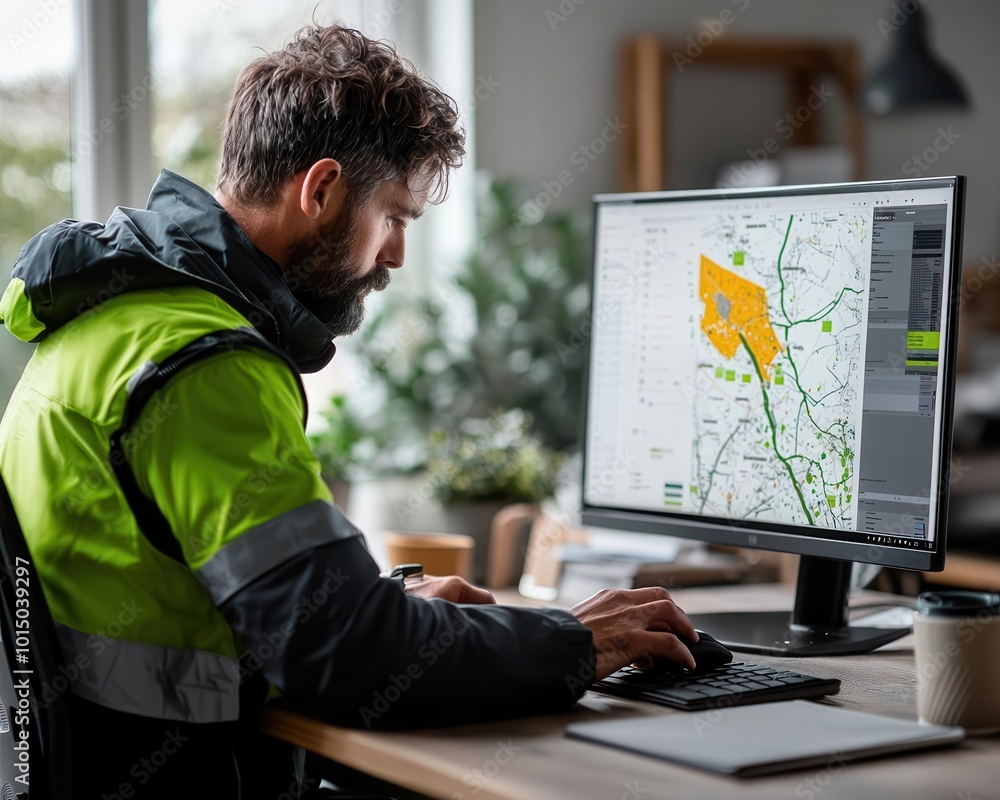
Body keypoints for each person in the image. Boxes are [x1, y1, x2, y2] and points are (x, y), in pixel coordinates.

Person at [0, 24, 697, 798]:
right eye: (395, 216)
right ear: (321, 189)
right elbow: (344, 658)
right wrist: (572, 639)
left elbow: (186, 598)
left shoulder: (102, 322)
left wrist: (379, 609)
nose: (395, 254)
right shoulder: (208, 366)